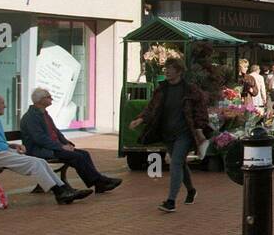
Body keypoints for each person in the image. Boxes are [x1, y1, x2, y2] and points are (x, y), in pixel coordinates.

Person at [0, 94, 92, 204]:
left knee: (41, 162)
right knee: (35, 163)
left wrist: (13, 145)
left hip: (2, 153)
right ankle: (60, 193)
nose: (5, 106)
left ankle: (65, 189)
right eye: (2, 103)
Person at [129, 56, 210, 213]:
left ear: (179, 71)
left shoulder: (190, 89)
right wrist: (140, 119)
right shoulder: (162, 89)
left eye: (170, 69)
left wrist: (200, 128)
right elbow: (152, 107)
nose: (166, 71)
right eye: (165, 68)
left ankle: (171, 201)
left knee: (175, 163)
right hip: (167, 133)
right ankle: (191, 190)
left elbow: (200, 109)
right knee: (180, 163)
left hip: (184, 133)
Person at [21, 87, 122, 194]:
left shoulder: (44, 113)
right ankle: (99, 181)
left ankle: (99, 182)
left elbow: (56, 132)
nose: (52, 98)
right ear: (40, 100)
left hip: (53, 147)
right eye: (48, 97)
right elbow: (40, 139)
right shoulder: (31, 117)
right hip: (41, 150)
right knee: (77, 157)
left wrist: (66, 143)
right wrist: (61, 147)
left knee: (84, 154)